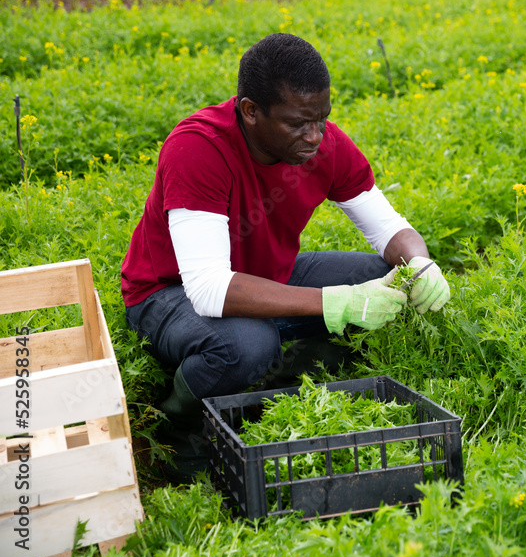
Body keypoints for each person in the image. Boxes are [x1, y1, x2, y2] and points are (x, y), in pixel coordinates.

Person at [120, 32, 451, 481]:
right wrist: (338, 303)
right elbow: (209, 289)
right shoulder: (199, 148)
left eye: (322, 119)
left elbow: (386, 227)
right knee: (247, 345)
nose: (315, 136)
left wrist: (419, 264)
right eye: (297, 123)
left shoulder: (323, 143)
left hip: (261, 274)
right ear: (251, 111)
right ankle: (177, 429)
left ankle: (273, 396)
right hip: (166, 292)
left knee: (387, 278)